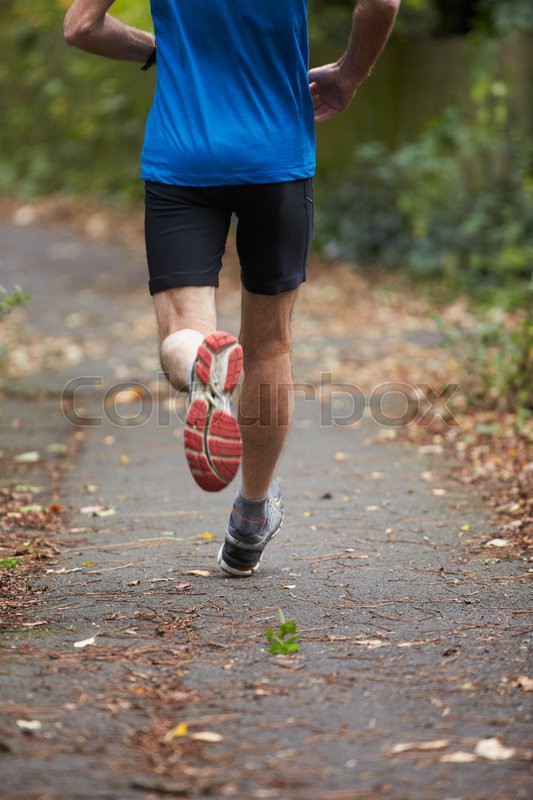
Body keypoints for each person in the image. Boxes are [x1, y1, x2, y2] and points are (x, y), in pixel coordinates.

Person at [64, 0, 400, 576]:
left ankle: (200, 360)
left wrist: (162, 50)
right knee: (270, 344)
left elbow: (81, 27)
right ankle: (250, 516)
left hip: (182, 159)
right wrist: (348, 74)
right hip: (276, 155)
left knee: (183, 331)